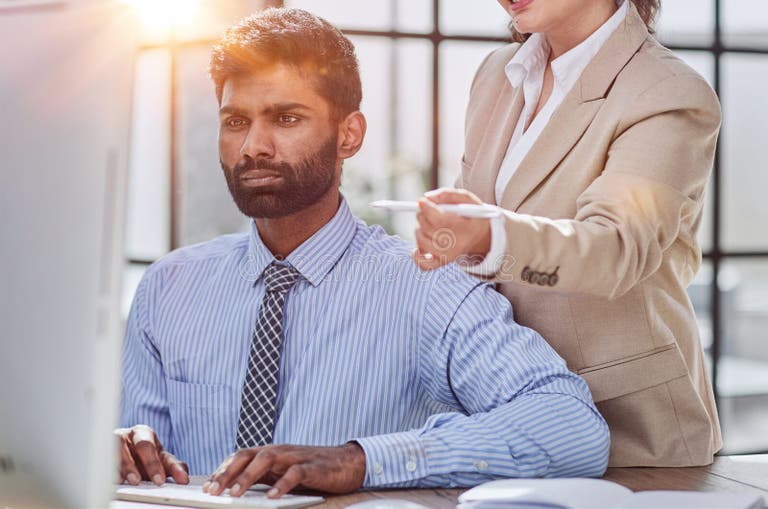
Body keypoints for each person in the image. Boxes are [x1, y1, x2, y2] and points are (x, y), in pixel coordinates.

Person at [116, 7, 609, 500]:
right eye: (235, 121)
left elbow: (571, 426)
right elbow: (143, 468)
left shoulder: (426, 288)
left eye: (286, 118)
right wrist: (119, 452)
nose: (254, 146)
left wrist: (362, 460)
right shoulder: (168, 288)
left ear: (349, 135)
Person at [412, 0, 721, 467]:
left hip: (626, 432)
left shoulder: (668, 92)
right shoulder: (498, 73)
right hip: (503, 415)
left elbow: (616, 248)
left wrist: (487, 237)